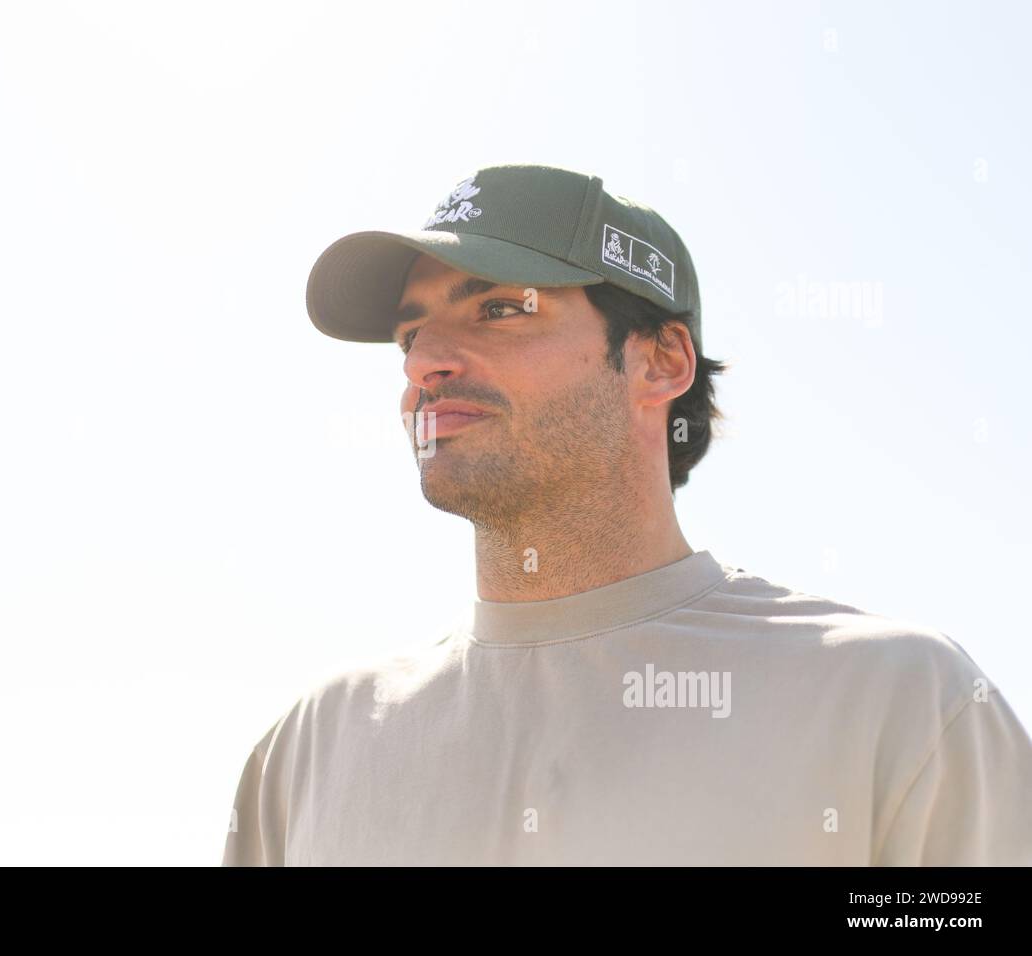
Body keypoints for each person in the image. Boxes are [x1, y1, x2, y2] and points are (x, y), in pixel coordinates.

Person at [222, 163, 1032, 866]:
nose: (426, 364)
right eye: (410, 337)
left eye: (500, 310)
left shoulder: (896, 703)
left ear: (661, 360)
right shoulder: (307, 755)